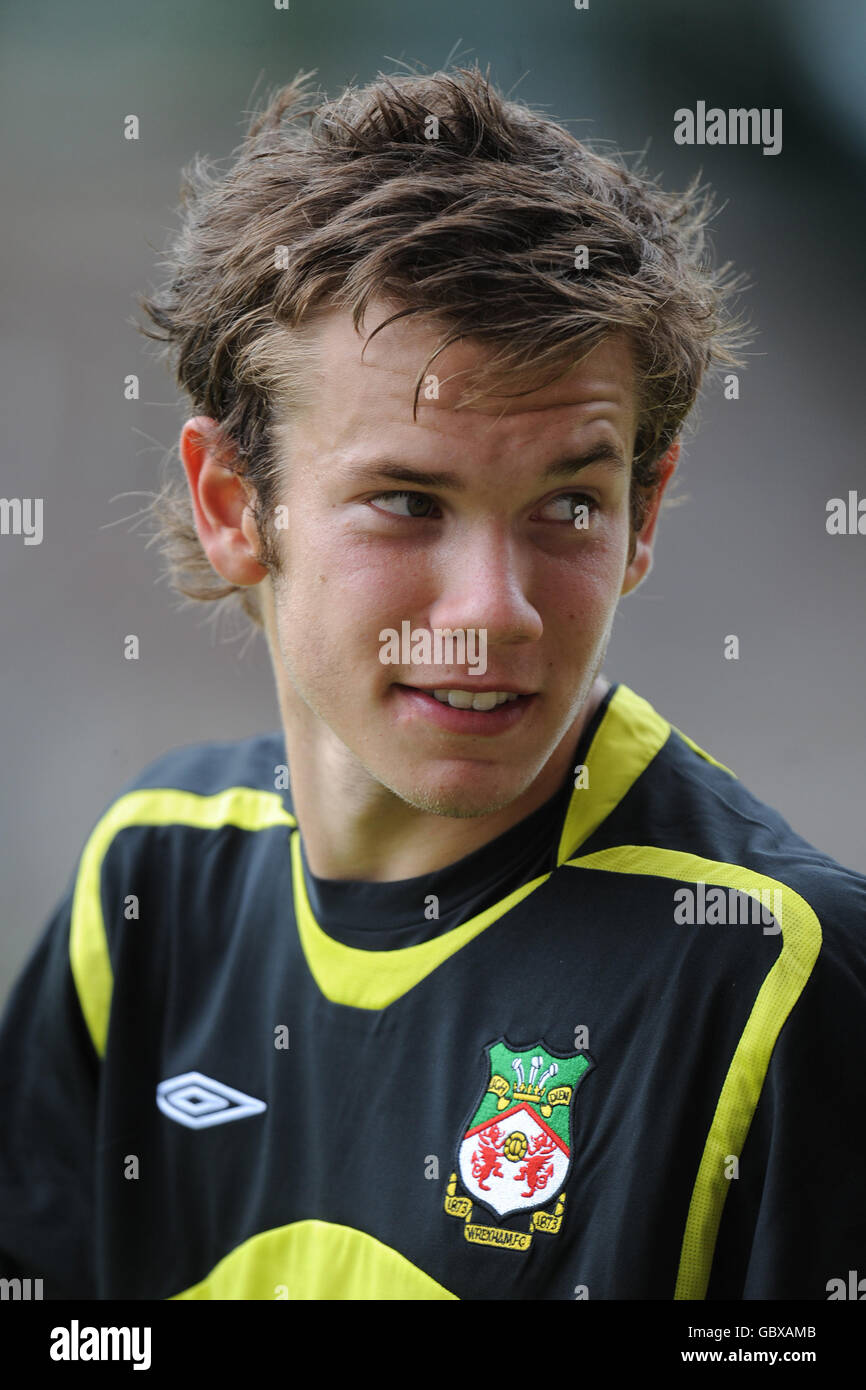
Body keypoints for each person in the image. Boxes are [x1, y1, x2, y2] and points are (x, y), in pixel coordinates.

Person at [1, 64, 863, 1302]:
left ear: (643, 513)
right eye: (407, 502)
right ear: (234, 505)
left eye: (569, 503)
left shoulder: (774, 974)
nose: (495, 610)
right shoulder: (151, 880)